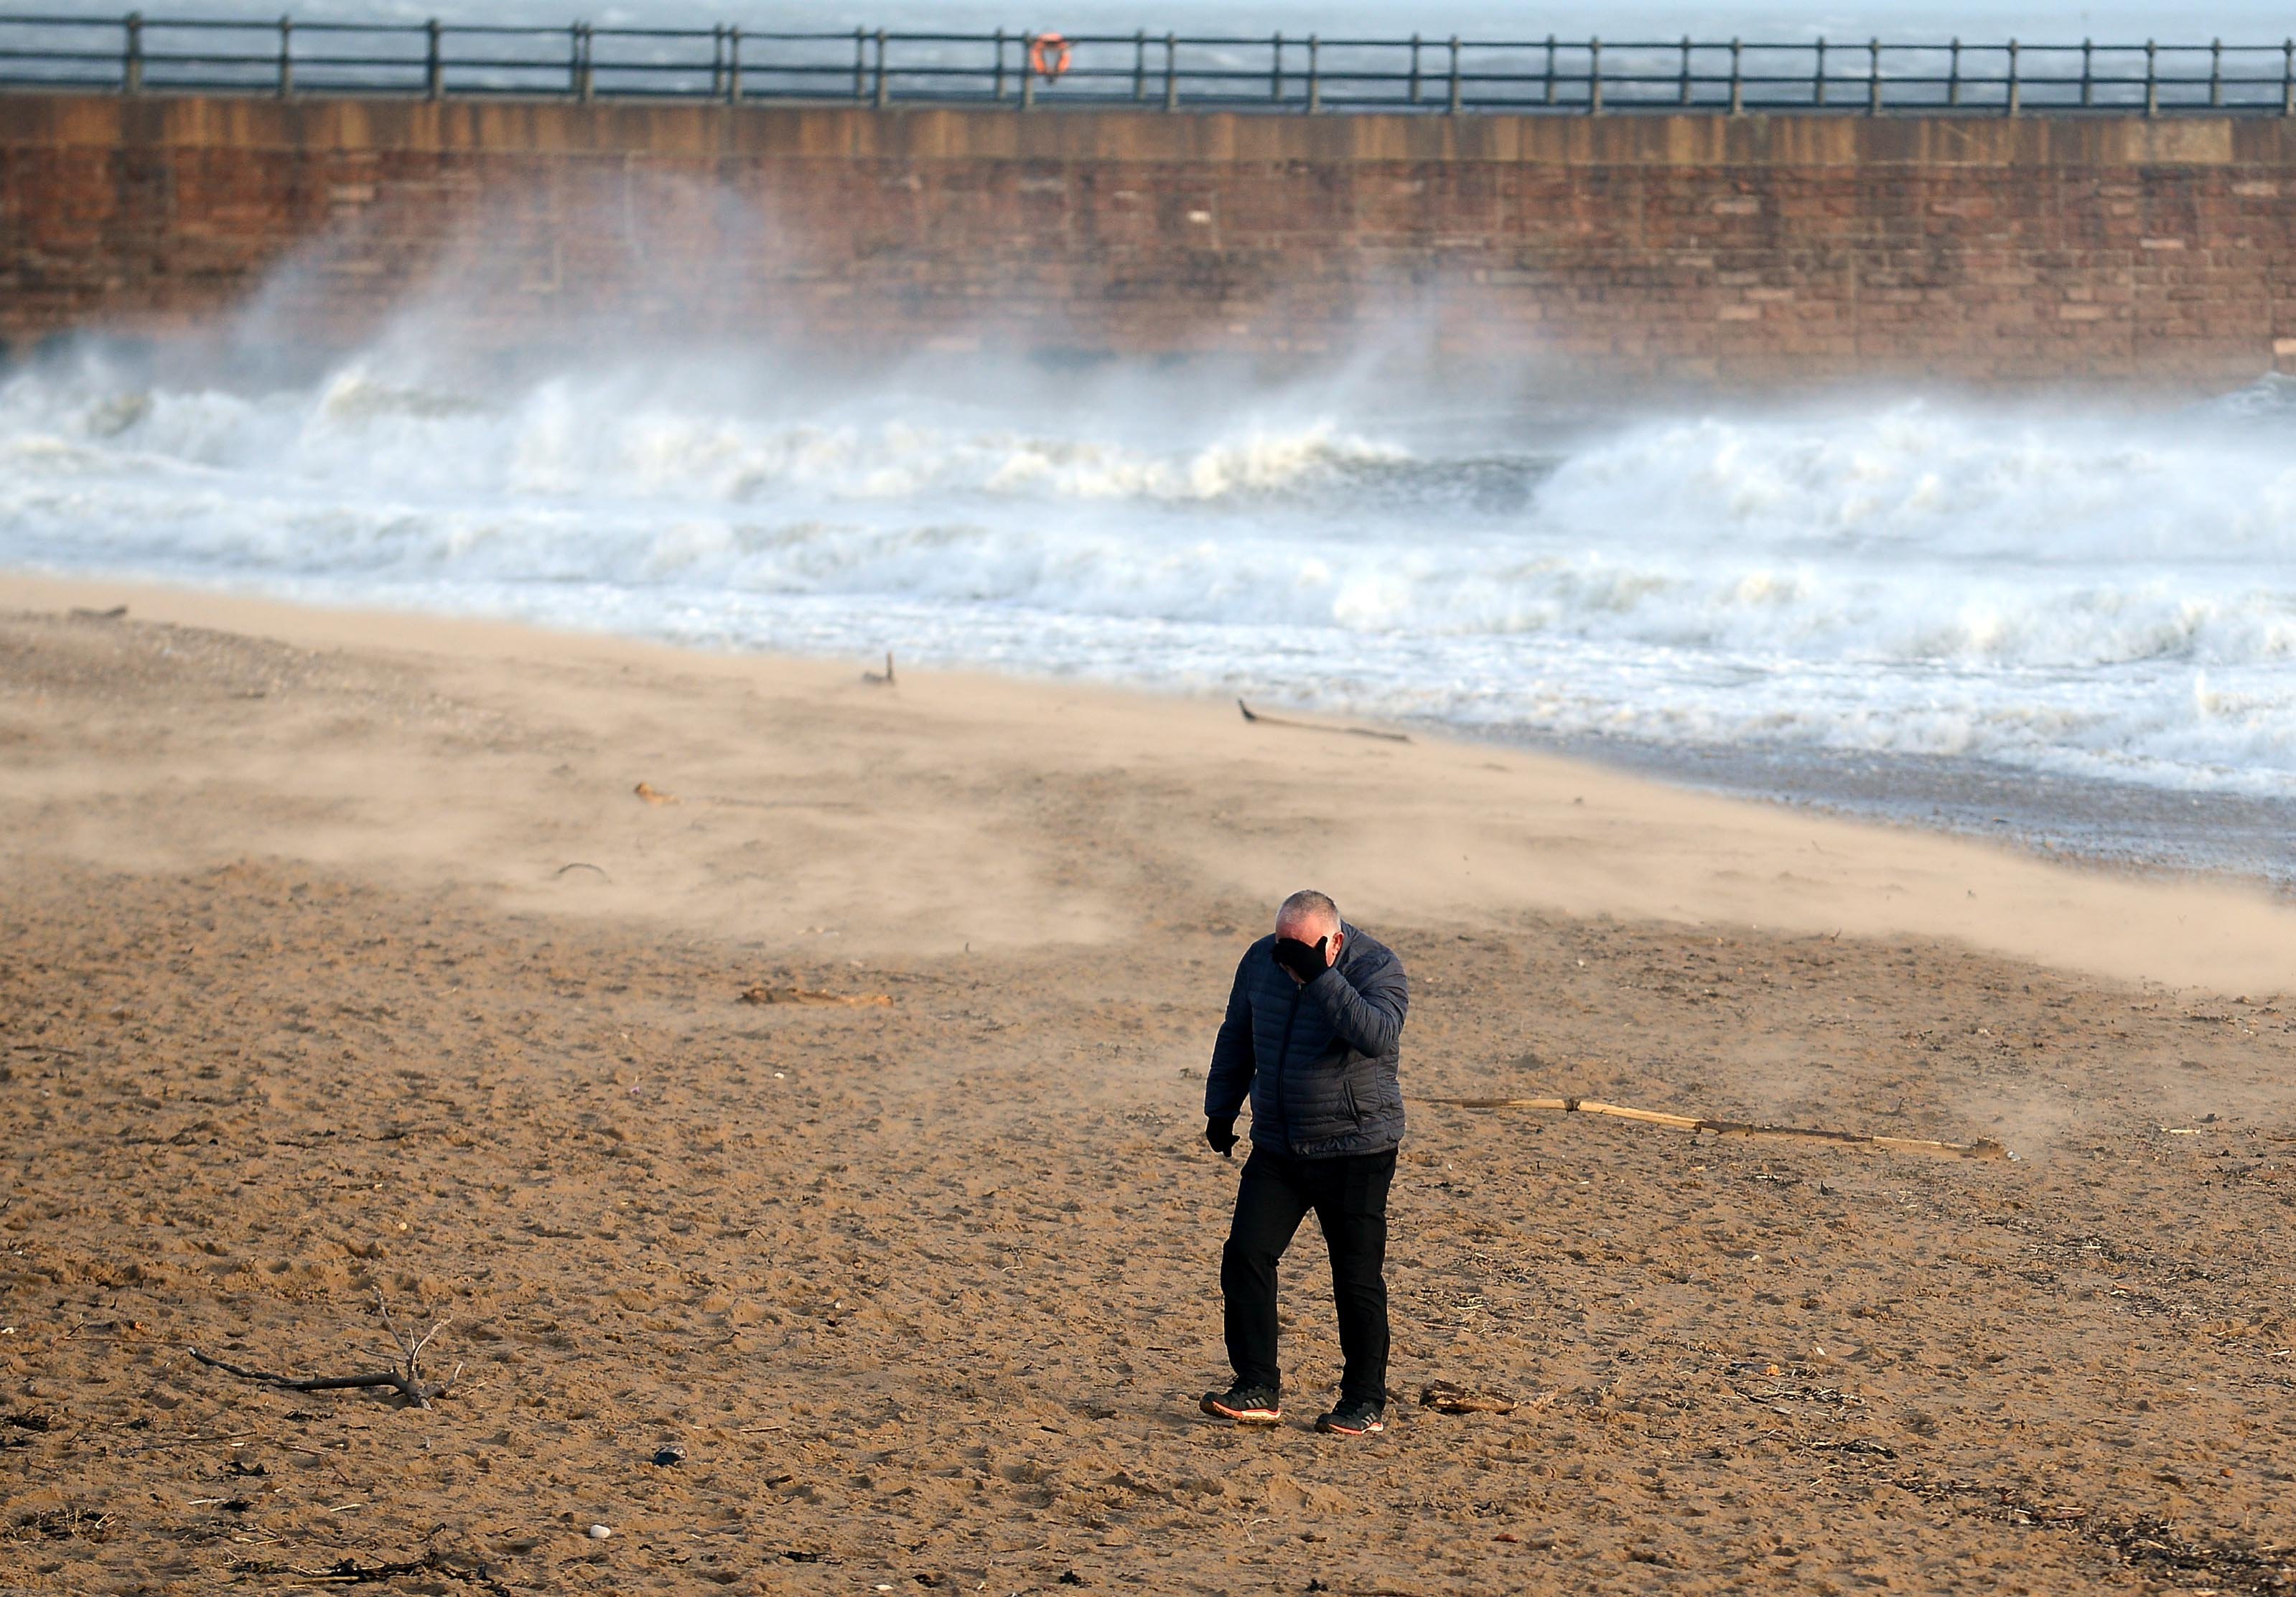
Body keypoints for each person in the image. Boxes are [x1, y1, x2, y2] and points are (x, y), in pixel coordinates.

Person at [1199, 889, 1409, 1437]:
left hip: (1357, 1148)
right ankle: (1256, 1385)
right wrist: (1220, 1109)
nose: (1287, 960)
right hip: (1279, 1144)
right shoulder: (1260, 960)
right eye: (1282, 948)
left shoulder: (1377, 967)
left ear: (1335, 941)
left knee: (1355, 1278)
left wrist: (1321, 978)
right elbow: (1237, 1036)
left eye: (1303, 951)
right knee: (1246, 1253)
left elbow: (1376, 1034)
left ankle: (1364, 1401)